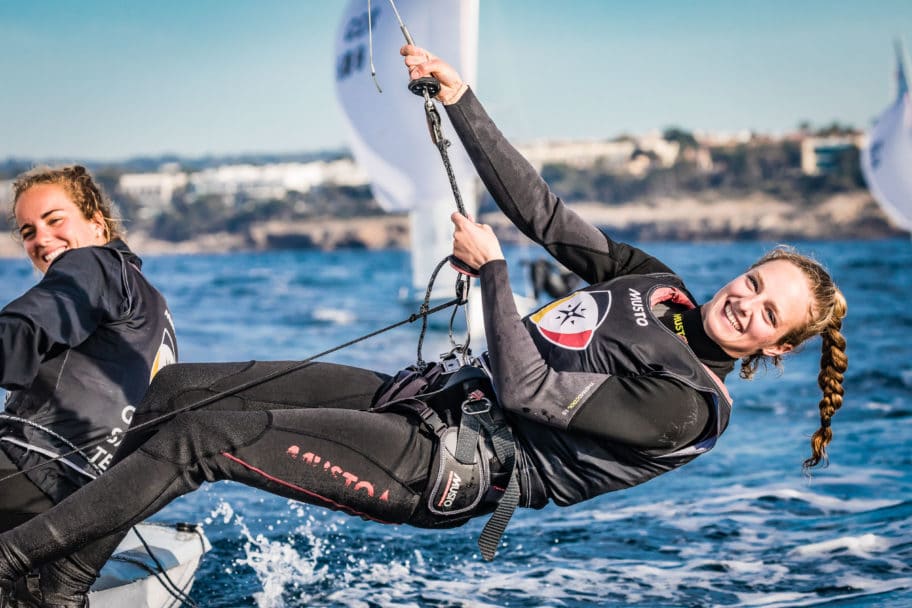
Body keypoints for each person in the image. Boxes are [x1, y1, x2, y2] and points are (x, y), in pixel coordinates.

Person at [0, 50, 847, 608]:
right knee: (177, 393)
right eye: (754, 282)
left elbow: (529, 391)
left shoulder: (685, 408)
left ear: (774, 347)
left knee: (207, 437)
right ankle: (58, 557)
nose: (746, 302)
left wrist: (492, 273)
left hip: (449, 469)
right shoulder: (653, 287)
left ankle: (35, 573)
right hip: (428, 402)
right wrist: (463, 99)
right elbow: (542, 213)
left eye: (769, 314)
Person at [0, 165, 177, 597]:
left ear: (97, 223)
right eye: (27, 230)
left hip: (27, 478)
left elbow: (24, 328)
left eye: (55, 220)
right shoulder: (150, 301)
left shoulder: (91, 265)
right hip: (90, 513)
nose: (40, 238)